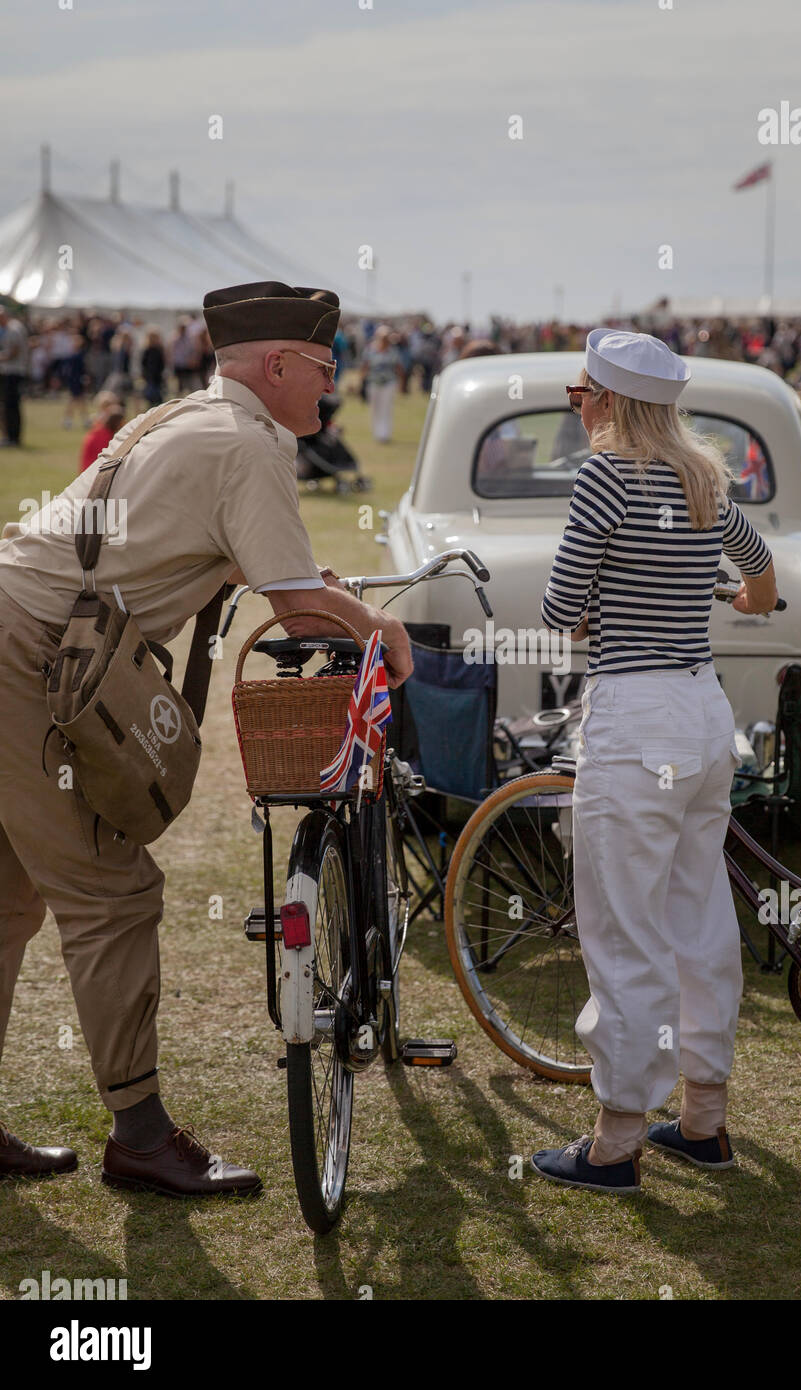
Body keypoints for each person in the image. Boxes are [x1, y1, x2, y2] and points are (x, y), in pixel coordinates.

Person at [0, 281, 413, 1192]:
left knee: (7, 901)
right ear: (276, 365)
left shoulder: (182, 418)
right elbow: (301, 611)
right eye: (322, 368)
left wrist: (311, 584)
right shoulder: (249, 443)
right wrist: (382, 633)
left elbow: (235, 561)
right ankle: (141, 1138)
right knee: (113, 894)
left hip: (25, 630)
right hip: (29, 654)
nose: (331, 388)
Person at [532, 329, 777, 1194]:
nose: (578, 405)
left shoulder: (605, 476)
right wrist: (723, 594)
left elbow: (563, 603)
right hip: (705, 711)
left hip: (636, 720)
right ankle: (703, 1117)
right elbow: (760, 576)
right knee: (698, 914)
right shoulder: (703, 474)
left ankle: (616, 1138)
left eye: (580, 392)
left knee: (623, 928)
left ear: (605, 400)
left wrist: (606, 594)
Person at [360, 323, 403, 443]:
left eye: (387, 337)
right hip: (373, 382)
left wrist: (401, 384)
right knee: (375, 408)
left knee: (386, 408)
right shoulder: (370, 349)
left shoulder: (393, 351)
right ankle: (377, 433)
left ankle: (385, 434)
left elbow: (399, 367)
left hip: (389, 383)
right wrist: (361, 382)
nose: (385, 340)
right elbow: (364, 366)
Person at [0, 306, 30, 448]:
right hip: (12, 372)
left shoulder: (13, 329)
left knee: (11, 405)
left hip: (13, 371)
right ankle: (11, 436)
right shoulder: (13, 327)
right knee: (9, 405)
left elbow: (14, 351)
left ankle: (13, 437)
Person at [78, 393, 125, 473]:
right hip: (92, 471)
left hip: (90, 469)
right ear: (116, 423)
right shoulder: (104, 436)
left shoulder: (101, 431)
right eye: (122, 423)